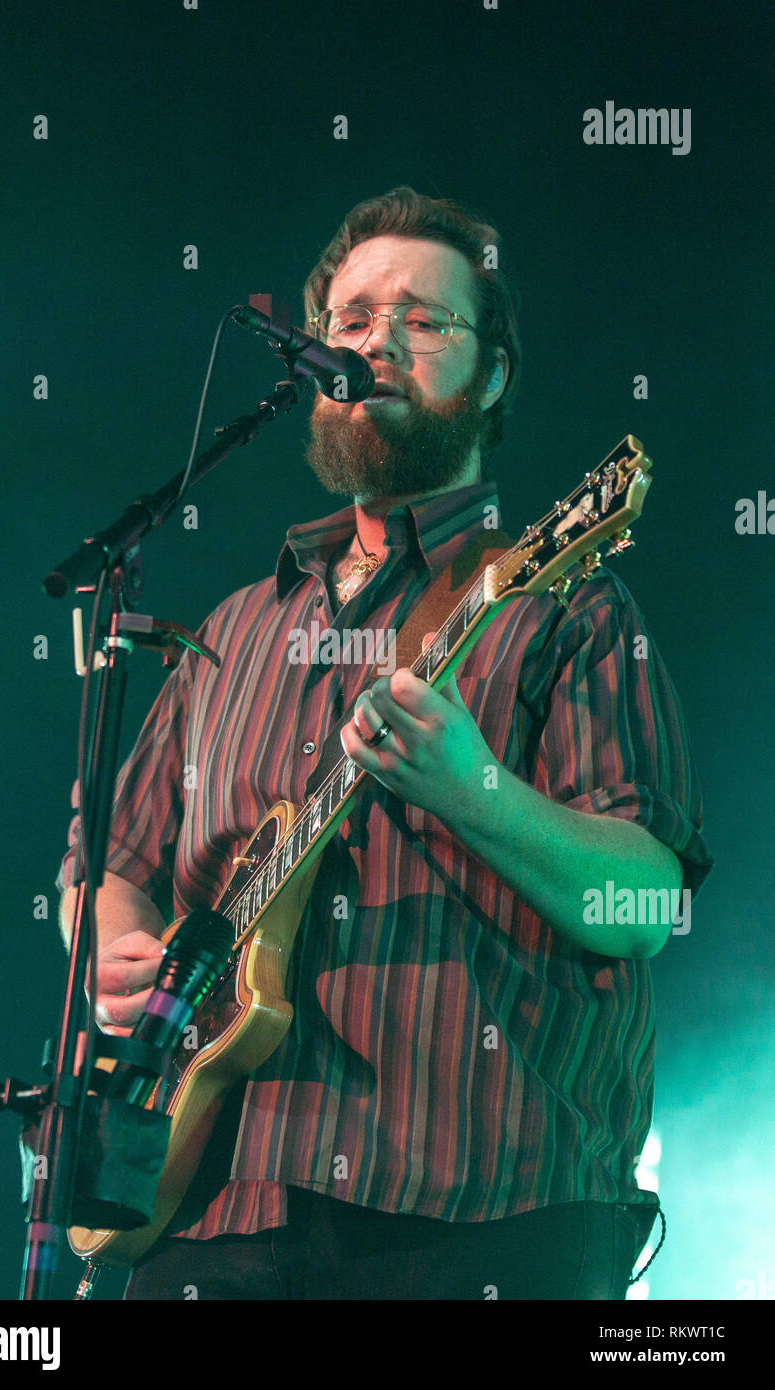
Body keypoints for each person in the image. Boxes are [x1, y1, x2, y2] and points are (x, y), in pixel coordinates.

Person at [57, 186, 713, 1300]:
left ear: (491, 374)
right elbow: (107, 865)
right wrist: (122, 960)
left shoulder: (565, 608)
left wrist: (474, 787)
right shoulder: (231, 629)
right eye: (353, 320)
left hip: (484, 1215)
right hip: (215, 1209)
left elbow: (642, 906)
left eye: (423, 320)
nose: (378, 341)